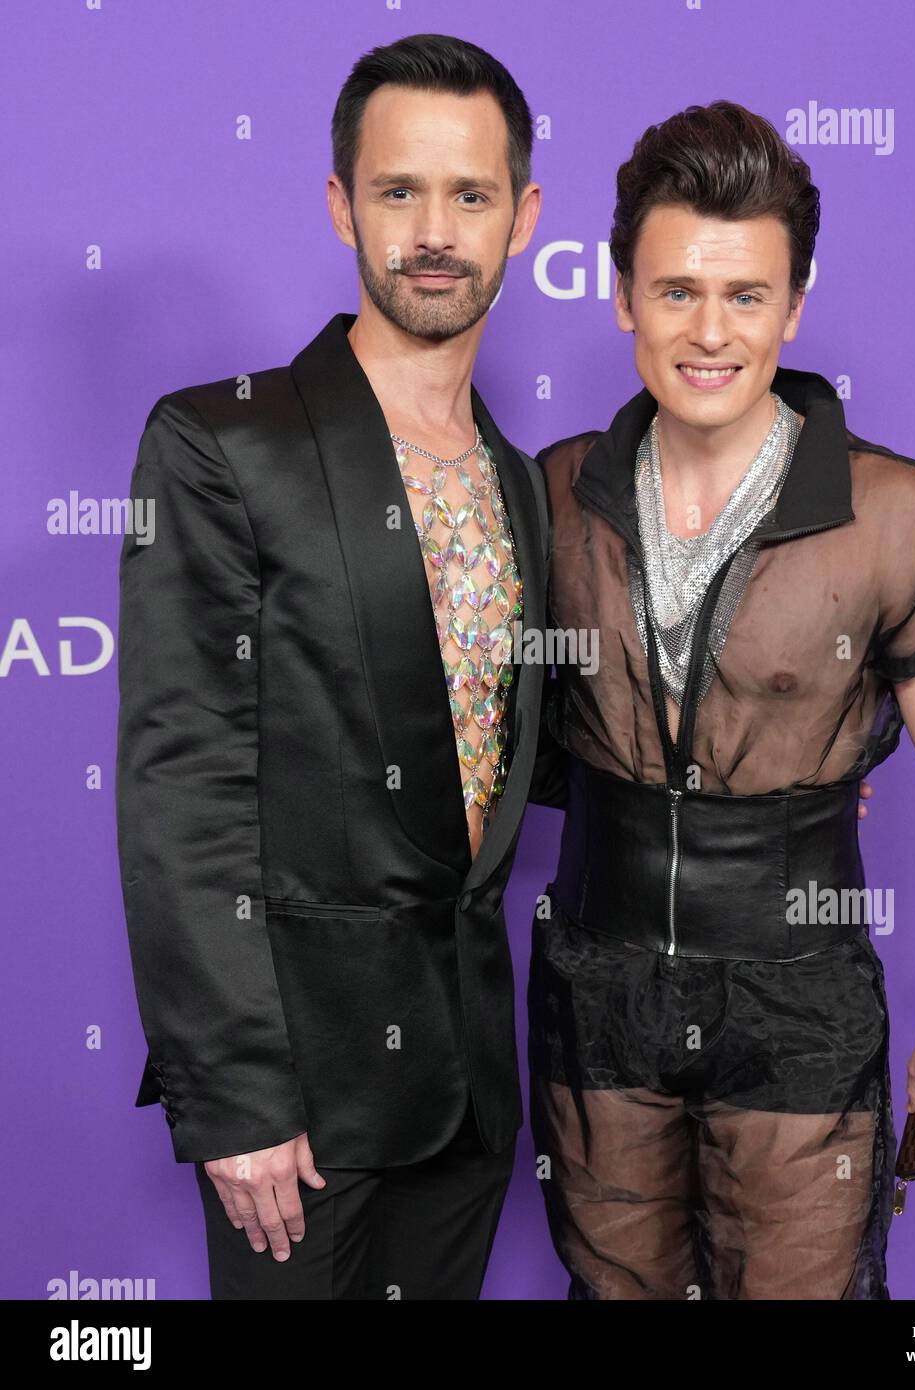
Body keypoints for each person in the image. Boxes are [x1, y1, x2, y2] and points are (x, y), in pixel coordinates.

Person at [526, 100, 915, 1299]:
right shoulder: (548, 492)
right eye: (677, 291)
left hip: (798, 995)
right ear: (621, 295)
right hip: (594, 990)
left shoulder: (902, 510)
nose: (709, 331)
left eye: (745, 296)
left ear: (793, 306)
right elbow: (493, 734)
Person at [115, 34, 550, 1300]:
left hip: (468, 1094)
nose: (431, 230)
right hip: (299, 1106)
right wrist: (235, 1096)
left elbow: (488, 743)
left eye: (468, 194)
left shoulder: (519, 480)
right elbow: (181, 789)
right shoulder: (221, 442)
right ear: (337, 204)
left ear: (522, 219)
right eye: (396, 190)